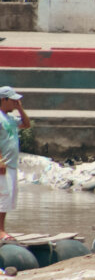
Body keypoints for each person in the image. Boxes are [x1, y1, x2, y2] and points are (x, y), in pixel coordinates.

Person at [0, 87, 31, 240]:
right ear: (3, 100)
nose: (15, 103)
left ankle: (2, 229)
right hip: (2, 164)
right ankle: (0, 230)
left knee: (7, 198)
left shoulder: (10, 119)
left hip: (11, 164)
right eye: (13, 100)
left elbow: (26, 124)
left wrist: (20, 108)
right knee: (2, 197)